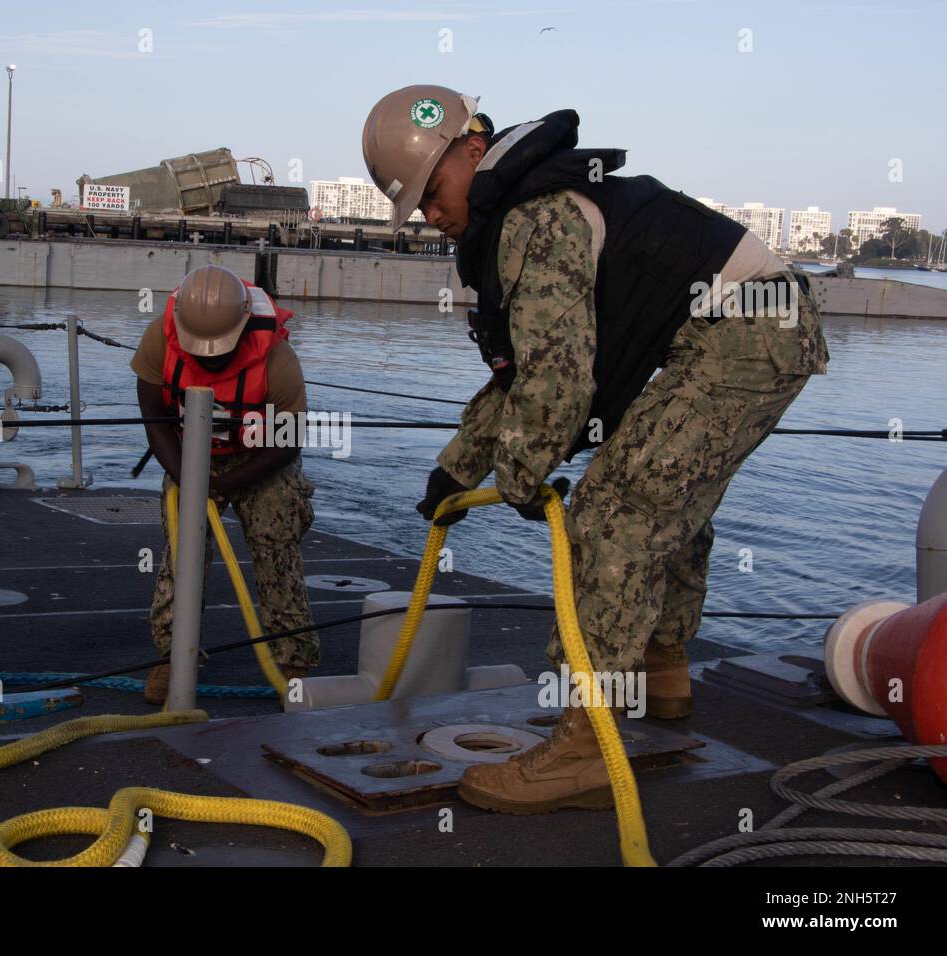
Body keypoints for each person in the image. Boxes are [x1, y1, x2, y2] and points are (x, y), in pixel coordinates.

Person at [362, 85, 828, 814]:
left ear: (474, 151)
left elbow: (555, 381)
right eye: (417, 205)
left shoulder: (533, 218)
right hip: (753, 321)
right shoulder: (530, 204)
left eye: (432, 191)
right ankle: (661, 664)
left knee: (618, 507)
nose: (432, 214)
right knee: (664, 487)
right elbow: (520, 375)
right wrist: (457, 467)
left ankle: (586, 743)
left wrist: (518, 474)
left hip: (748, 329)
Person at [132, 264, 318, 704]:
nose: (209, 358)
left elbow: (288, 443)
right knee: (183, 553)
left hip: (260, 461)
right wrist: (188, 480)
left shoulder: (278, 360)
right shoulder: (159, 340)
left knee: (277, 550)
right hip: (187, 457)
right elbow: (155, 421)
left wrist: (229, 481)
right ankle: (174, 655)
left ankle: (292, 664)